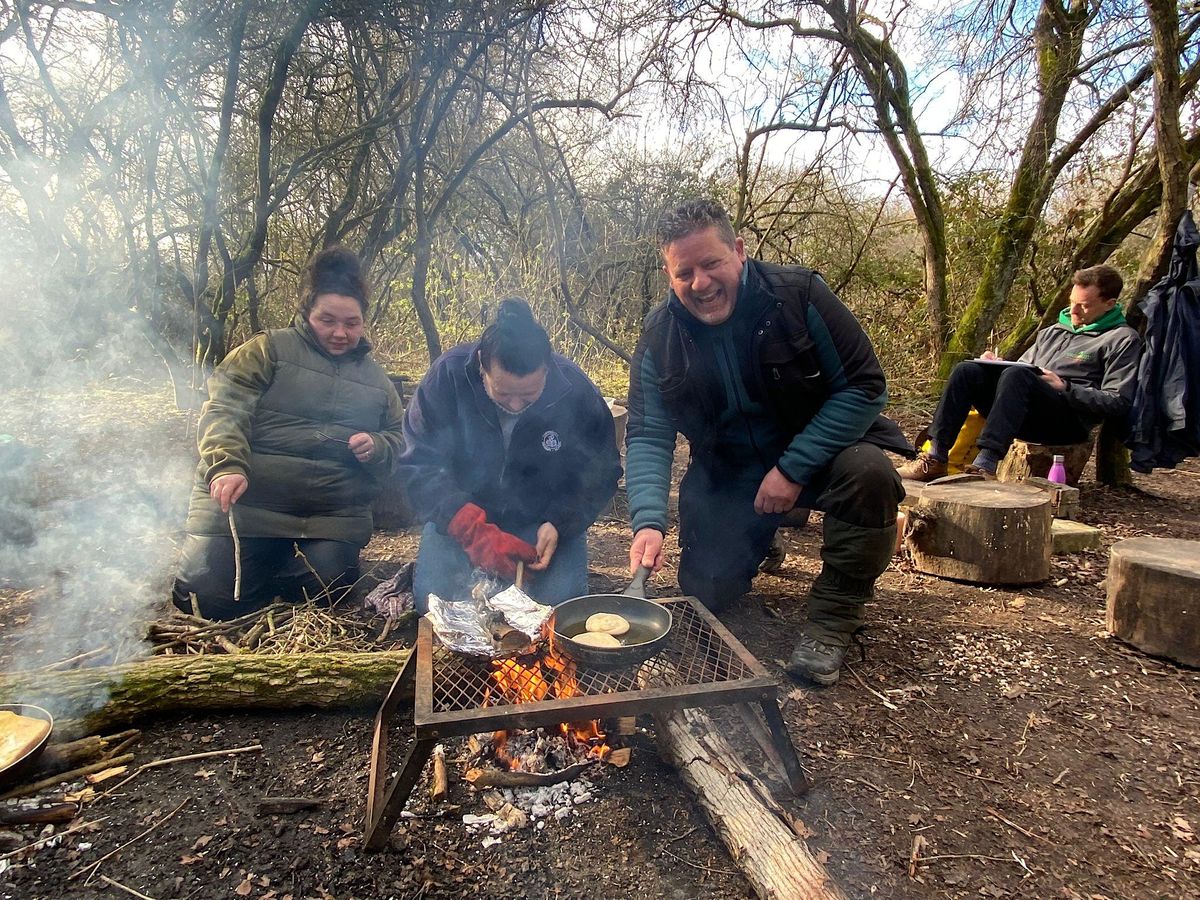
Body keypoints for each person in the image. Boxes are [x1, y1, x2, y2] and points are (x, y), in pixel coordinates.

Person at [626, 199, 911, 686]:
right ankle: (762, 535)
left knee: (870, 474)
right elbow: (649, 434)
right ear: (667, 272)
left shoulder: (798, 296)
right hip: (730, 473)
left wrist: (793, 469)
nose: (701, 283)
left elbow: (864, 385)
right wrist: (648, 521)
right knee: (706, 591)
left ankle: (832, 619)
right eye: (684, 271)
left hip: (821, 456)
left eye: (712, 263)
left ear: (738, 250)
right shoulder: (660, 335)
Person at [172, 247, 405, 620]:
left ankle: (272, 570)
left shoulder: (377, 381)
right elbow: (223, 410)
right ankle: (259, 567)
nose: (341, 333)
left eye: (352, 323)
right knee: (206, 599)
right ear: (307, 313)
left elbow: (397, 437)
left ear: (363, 322)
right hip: (248, 509)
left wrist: (378, 446)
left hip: (329, 518)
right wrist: (226, 465)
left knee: (328, 589)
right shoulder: (267, 351)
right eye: (327, 320)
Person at [398, 299, 621, 610]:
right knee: (435, 603)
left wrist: (559, 521)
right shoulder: (447, 377)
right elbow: (417, 465)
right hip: (460, 517)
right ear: (481, 366)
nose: (515, 405)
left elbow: (601, 471)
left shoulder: (575, 390)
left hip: (540, 521)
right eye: (503, 393)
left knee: (557, 607)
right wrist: (474, 531)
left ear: (547, 369)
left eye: (528, 395)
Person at [899, 265, 1141, 482]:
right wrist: (997, 365)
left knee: (1018, 376)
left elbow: (1117, 402)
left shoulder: (1121, 339)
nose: (1073, 311)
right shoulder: (1053, 332)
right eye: (1072, 302)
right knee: (968, 370)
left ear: (1109, 303)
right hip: (1022, 412)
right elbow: (1023, 369)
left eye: (1084, 306)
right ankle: (934, 457)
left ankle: (985, 463)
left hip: (1067, 421)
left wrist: (1065, 387)